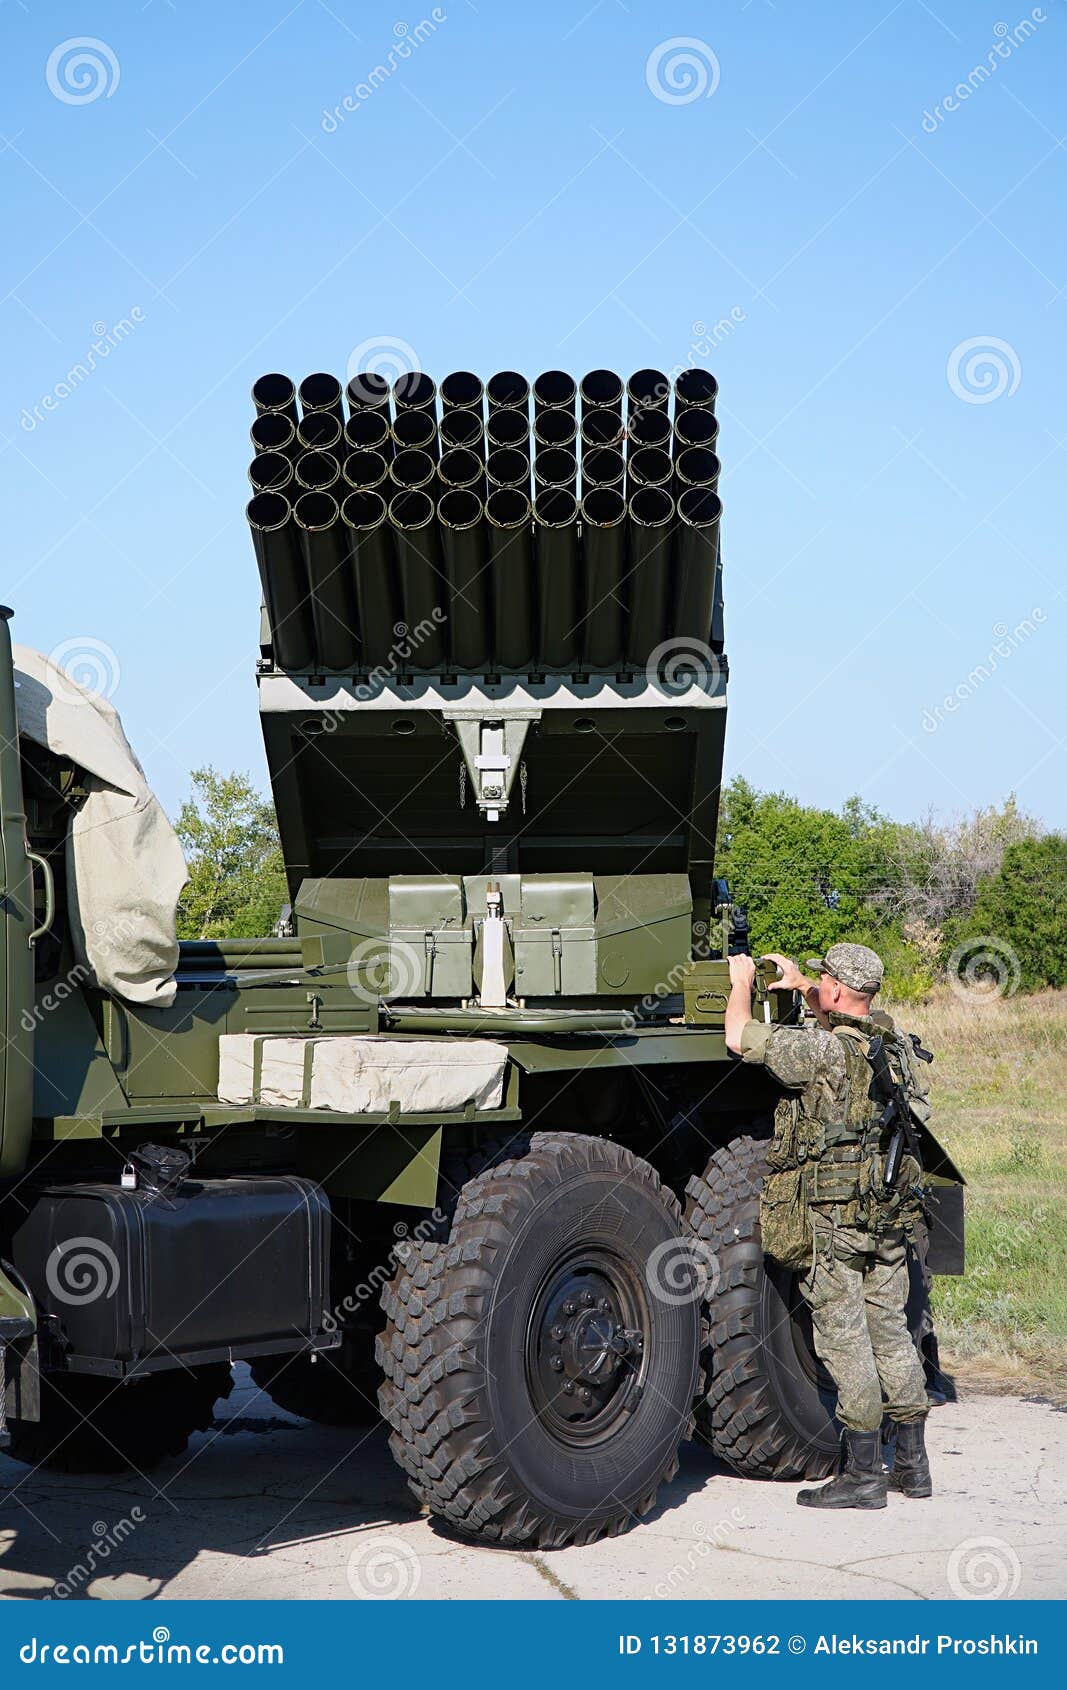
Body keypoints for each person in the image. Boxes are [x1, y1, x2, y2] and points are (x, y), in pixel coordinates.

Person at [724, 942, 932, 1510]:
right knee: (889, 1328)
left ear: (838, 990)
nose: (817, 986)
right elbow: (845, 1025)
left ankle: (863, 1474)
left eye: (823, 981)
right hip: (887, 1215)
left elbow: (738, 1036)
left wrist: (741, 981)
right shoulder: (895, 1048)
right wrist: (801, 986)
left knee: (842, 1337)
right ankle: (912, 1465)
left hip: (834, 1219)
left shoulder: (819, 1054)